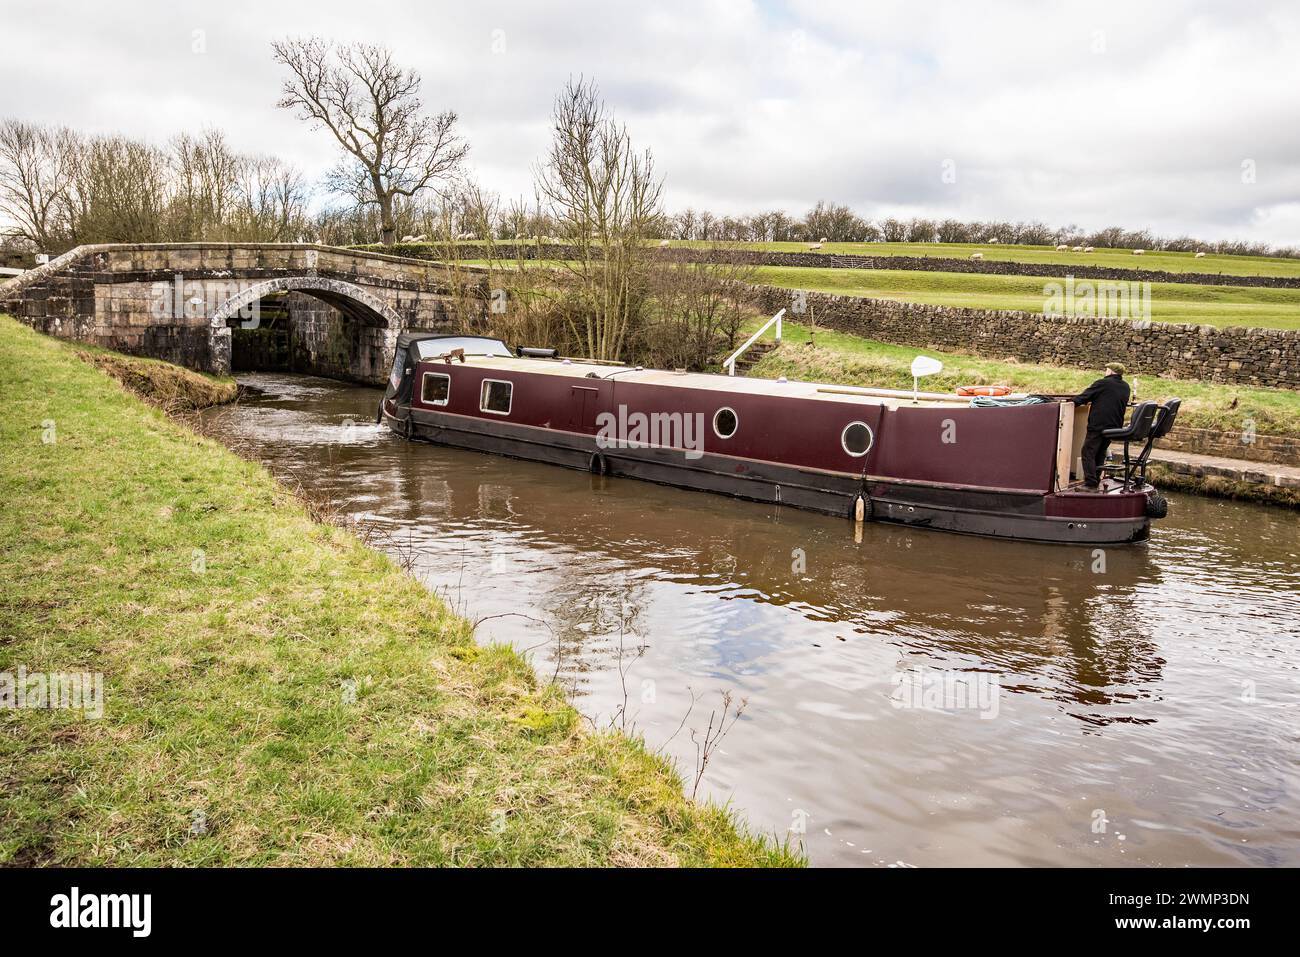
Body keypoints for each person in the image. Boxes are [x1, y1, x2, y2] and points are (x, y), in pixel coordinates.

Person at [1072, 362, 1131, 491]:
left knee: (1087, 452)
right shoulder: (1126, 386)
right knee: (1100, 452)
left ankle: (1090, 483)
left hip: (1098, 424)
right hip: (1114, 426)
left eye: (1107, 369)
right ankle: (1096, 479)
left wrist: (1069, 404)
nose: (1105, 372)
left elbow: (1084, 397)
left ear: (1110, 371)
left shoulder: (1102, 383)